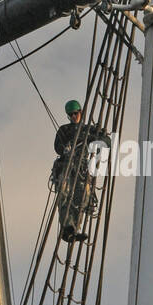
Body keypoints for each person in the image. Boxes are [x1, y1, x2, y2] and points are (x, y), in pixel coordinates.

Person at [51, 100, 109, 242]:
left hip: (82, 168)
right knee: (64, 191)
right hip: (66, 165)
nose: (73, 116)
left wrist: (99, 138)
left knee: (83, 195)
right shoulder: (64, 130)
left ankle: (75, 228)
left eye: (75, 113)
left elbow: (107, 141)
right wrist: (65, 148)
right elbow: (57, 145)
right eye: (70, 114)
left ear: (80, 112)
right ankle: (67, 229)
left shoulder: (89, 129)